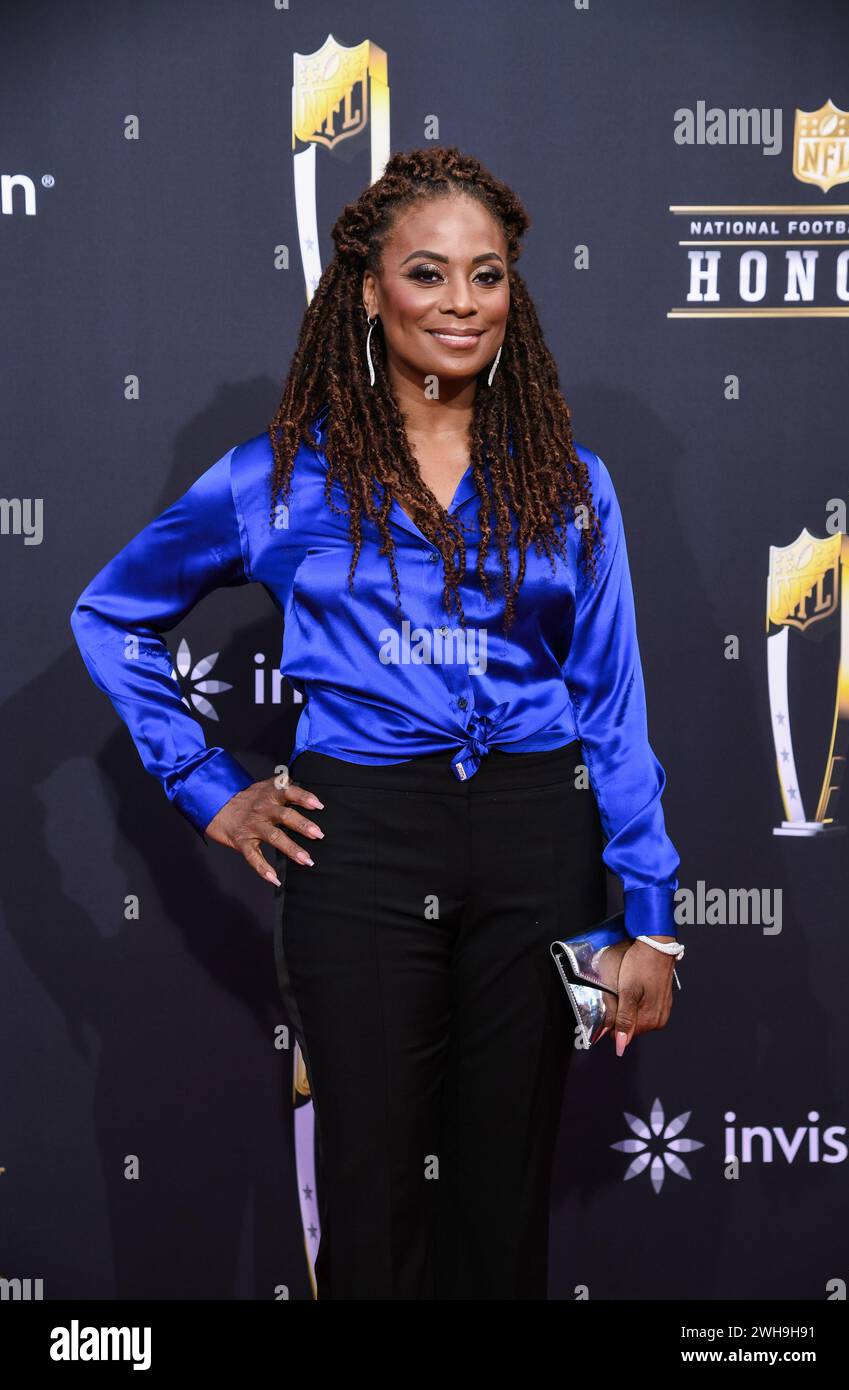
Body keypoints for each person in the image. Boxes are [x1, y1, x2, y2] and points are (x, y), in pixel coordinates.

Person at [70, 146, 682, 1301]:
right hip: (356, 846)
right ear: (367, 289)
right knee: (369, 1188)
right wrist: (208, 784)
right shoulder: (276, 480)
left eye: (486, 274)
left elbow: (612, 704)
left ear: (514, 293)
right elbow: (110, 616)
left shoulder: (569, 483)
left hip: (534, 845)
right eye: (427, 271)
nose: (460, 301)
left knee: (504, 1200)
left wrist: (648, 921)